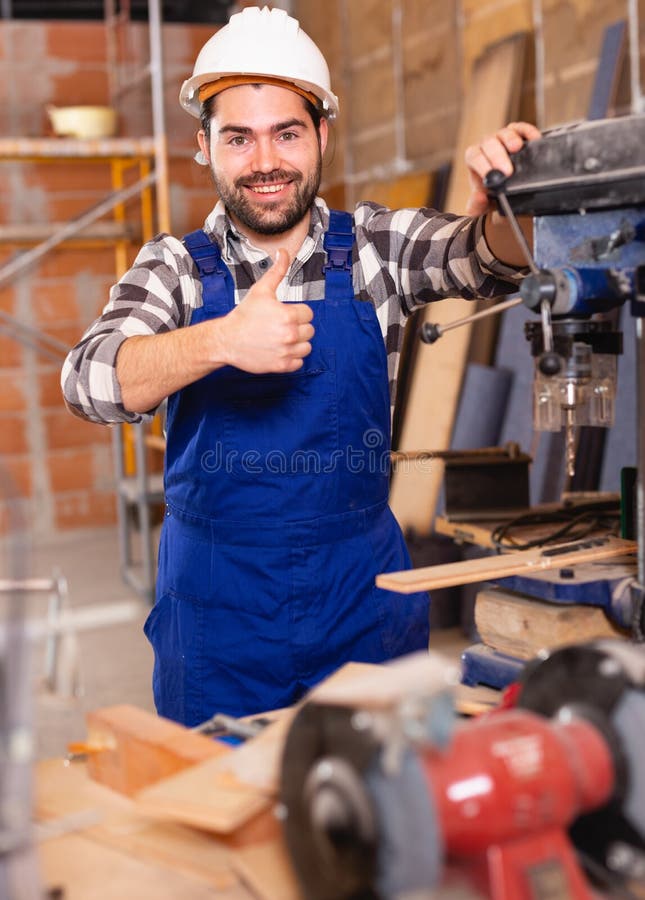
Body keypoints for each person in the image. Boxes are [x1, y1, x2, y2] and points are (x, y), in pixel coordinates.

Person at [61, 6, 539, 727]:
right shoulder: (174, 272)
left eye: (286, 132)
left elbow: (489, 257)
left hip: (361, 597)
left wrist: (510, 199)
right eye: (238, 138)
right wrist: (217, 341)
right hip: (221, 612)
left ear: (321, 134)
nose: (264, 163)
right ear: (205, 147)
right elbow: (86, 380)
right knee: (221, 815)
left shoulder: (377, 247)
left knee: (382, 808)